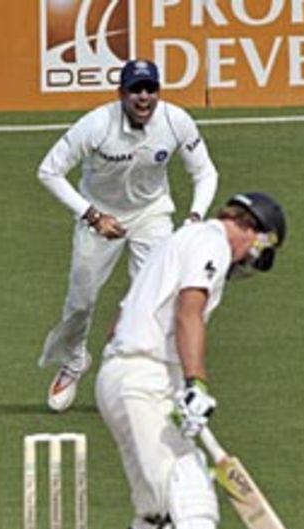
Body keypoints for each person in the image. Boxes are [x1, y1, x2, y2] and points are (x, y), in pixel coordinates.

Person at [78, 192, 286, 529]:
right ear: (252, 230)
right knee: (191, 500)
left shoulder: (177, 243)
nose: (250, 261)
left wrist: (172, 389)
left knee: (154, 509)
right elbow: (188, 312)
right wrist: (194, 384)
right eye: (258, 249)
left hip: (132, 379)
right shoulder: (211, 241)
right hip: (144, 381)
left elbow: (119, 325)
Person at [37, 58, 219, 412]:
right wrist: (92, 215)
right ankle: (74, 360)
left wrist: (195, 216)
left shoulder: (175, 121)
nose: (144, 97)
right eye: (135, 89)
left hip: (151, 215)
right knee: (80, 303)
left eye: (150, 89)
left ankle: (148, 381)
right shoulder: (97, 124)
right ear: (122, 93)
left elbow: (206, 173)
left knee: (155, 300)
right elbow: (48, 171)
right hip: (99, 217)